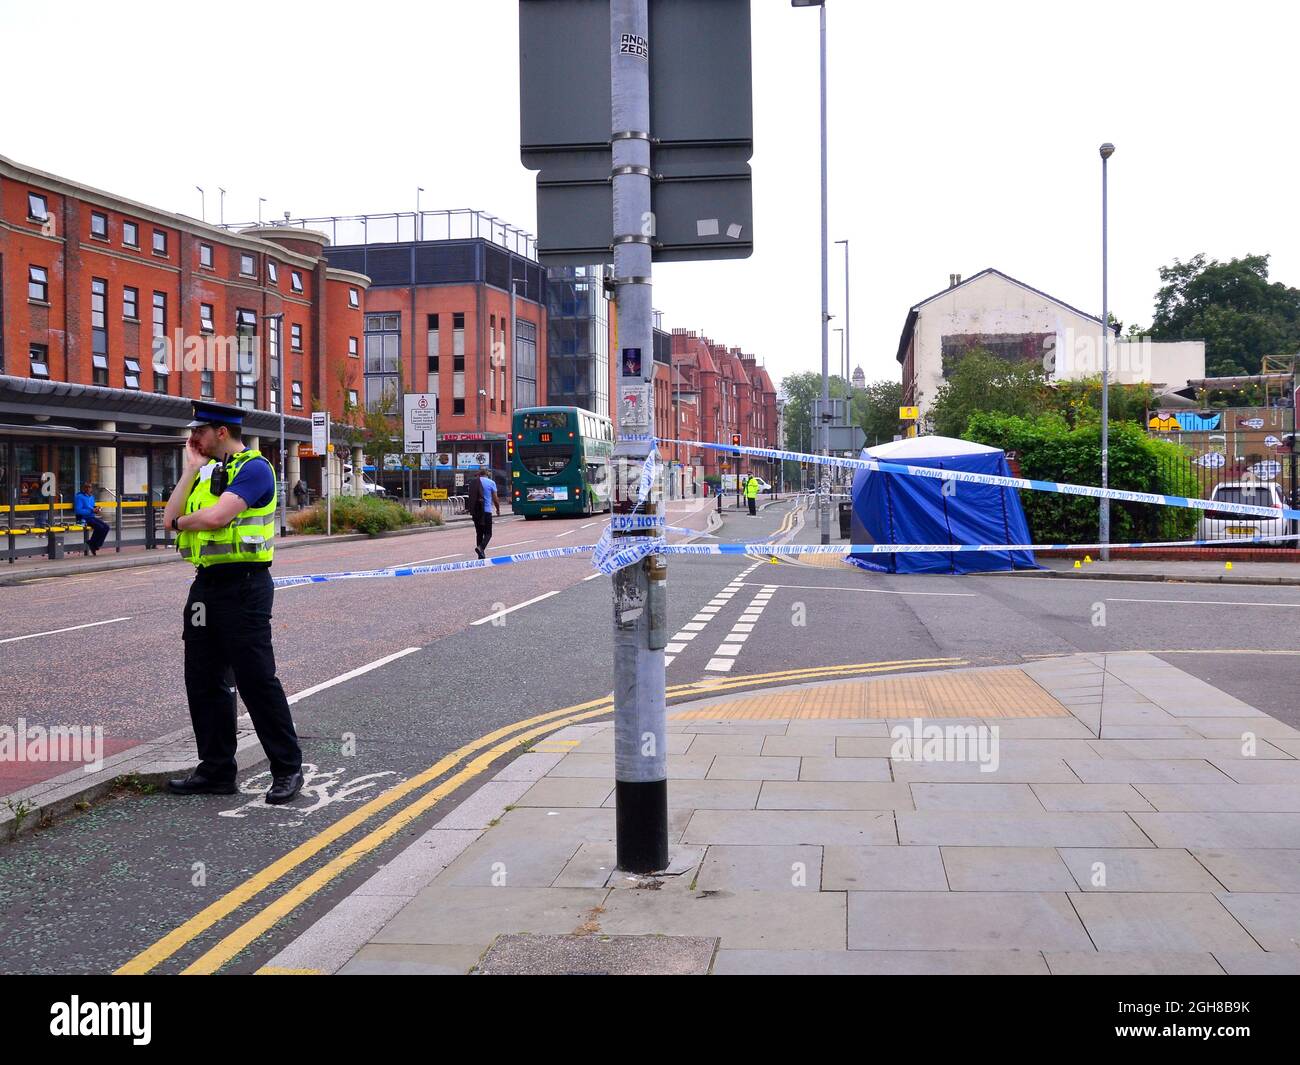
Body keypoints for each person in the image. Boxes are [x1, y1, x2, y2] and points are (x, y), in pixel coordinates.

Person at [161, 400, 304, 805]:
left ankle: (287, 770)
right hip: (205, 586)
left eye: (199, 432)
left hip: (245, 586)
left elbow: (216, 518)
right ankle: (216, 771)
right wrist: (189, 471)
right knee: (203, 681)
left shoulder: (254, 468)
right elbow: (167, 516)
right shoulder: (203, 472)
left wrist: (180, 523)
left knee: (256, 679)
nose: (193, 439)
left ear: (221, 432)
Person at [471, 466, 500, 559]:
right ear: (487, 473)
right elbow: (495, 499)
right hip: (486, 511)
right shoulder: (491, 483)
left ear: (479, 473)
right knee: (488, 533)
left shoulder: (474, 482)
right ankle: (481, 547)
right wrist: (498, 509)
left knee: (479, 533)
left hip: (476, 511)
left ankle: (481, 555)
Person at [74, 482, 110, 555]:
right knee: (99, 527)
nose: (88, 489)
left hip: (91, 516)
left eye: (89, 487)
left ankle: (94, 543)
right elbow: (78, 510)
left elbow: (92, 507)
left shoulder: (91, 497)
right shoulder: (79, 497)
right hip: (83, 518)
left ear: (91, 488)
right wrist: (91, 510)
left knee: (106, 527)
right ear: (83, 488)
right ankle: (93, 544)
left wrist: (96, 510)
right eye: (86, 487)